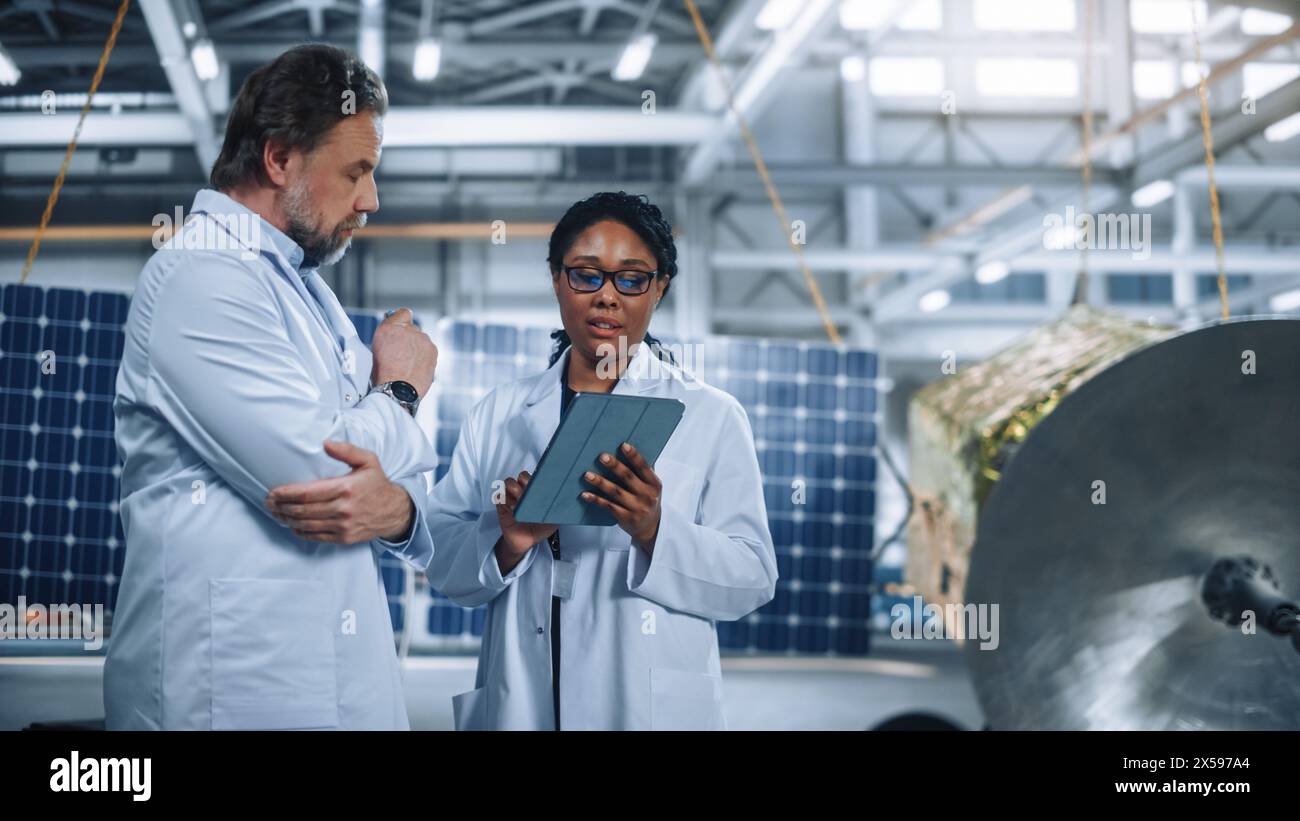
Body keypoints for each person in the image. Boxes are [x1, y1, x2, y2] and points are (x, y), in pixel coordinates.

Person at [332, 191, 774, 729]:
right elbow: (444, 563)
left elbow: (751, 578)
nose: (607, 297)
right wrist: (508, 542)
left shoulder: (711, 416)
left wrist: (655, 530)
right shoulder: (499, 413)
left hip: (644, 709)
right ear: (556, 279)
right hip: (522, 704)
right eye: (586, 275)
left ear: (659, 288)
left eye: (631, 278)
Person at [106, 45, 438, 730]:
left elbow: (387, 487)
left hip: (333, 685)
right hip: (230, 693)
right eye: (357, 172)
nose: (371, 200)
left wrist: (394, 504)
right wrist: (400, 389)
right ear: (279, 158)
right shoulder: (200, 278)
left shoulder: (303, 291)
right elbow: (325, 470)